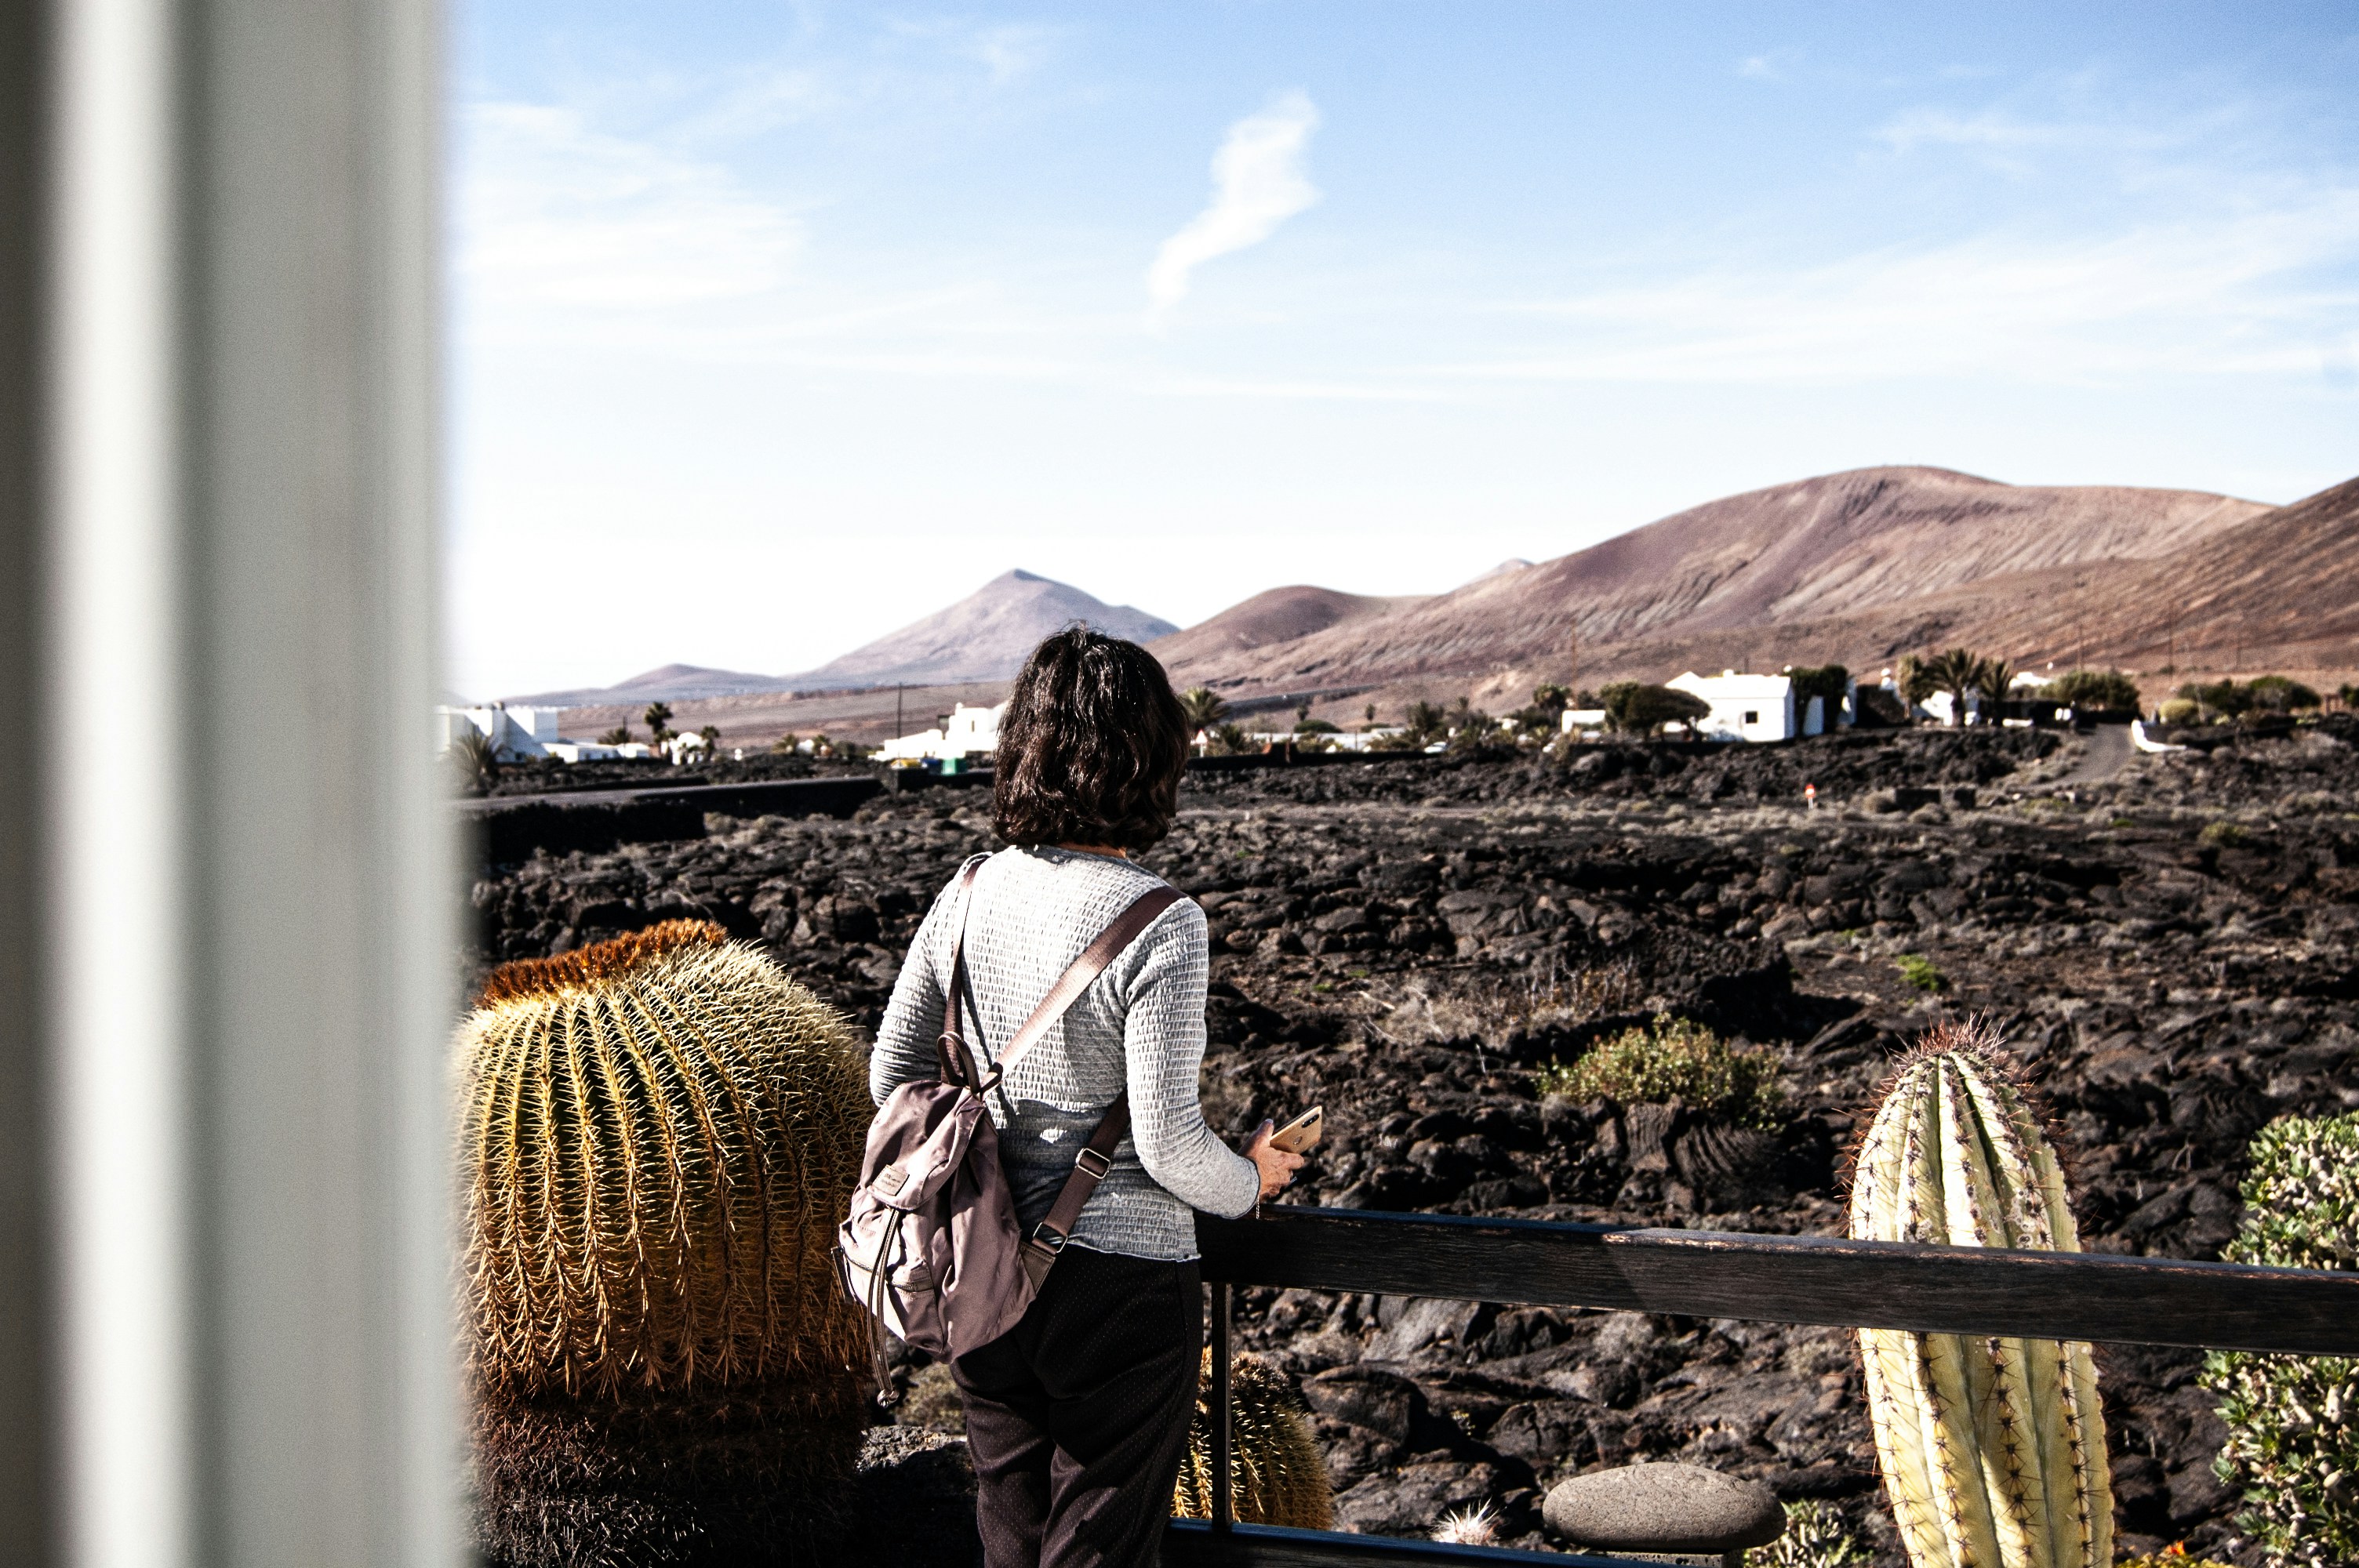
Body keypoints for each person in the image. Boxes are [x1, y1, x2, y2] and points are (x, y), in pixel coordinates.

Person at [870, 627, 1304, 1568]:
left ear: (1024, 742)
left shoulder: (970, 888)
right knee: (1099, 1549)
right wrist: (1252, 1178)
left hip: (977, 1264)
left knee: (1011, 1535)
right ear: (1152, 755)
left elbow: (889, 1075)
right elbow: (1167, 1142)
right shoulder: (1162, 920)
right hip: (1121, 1280)